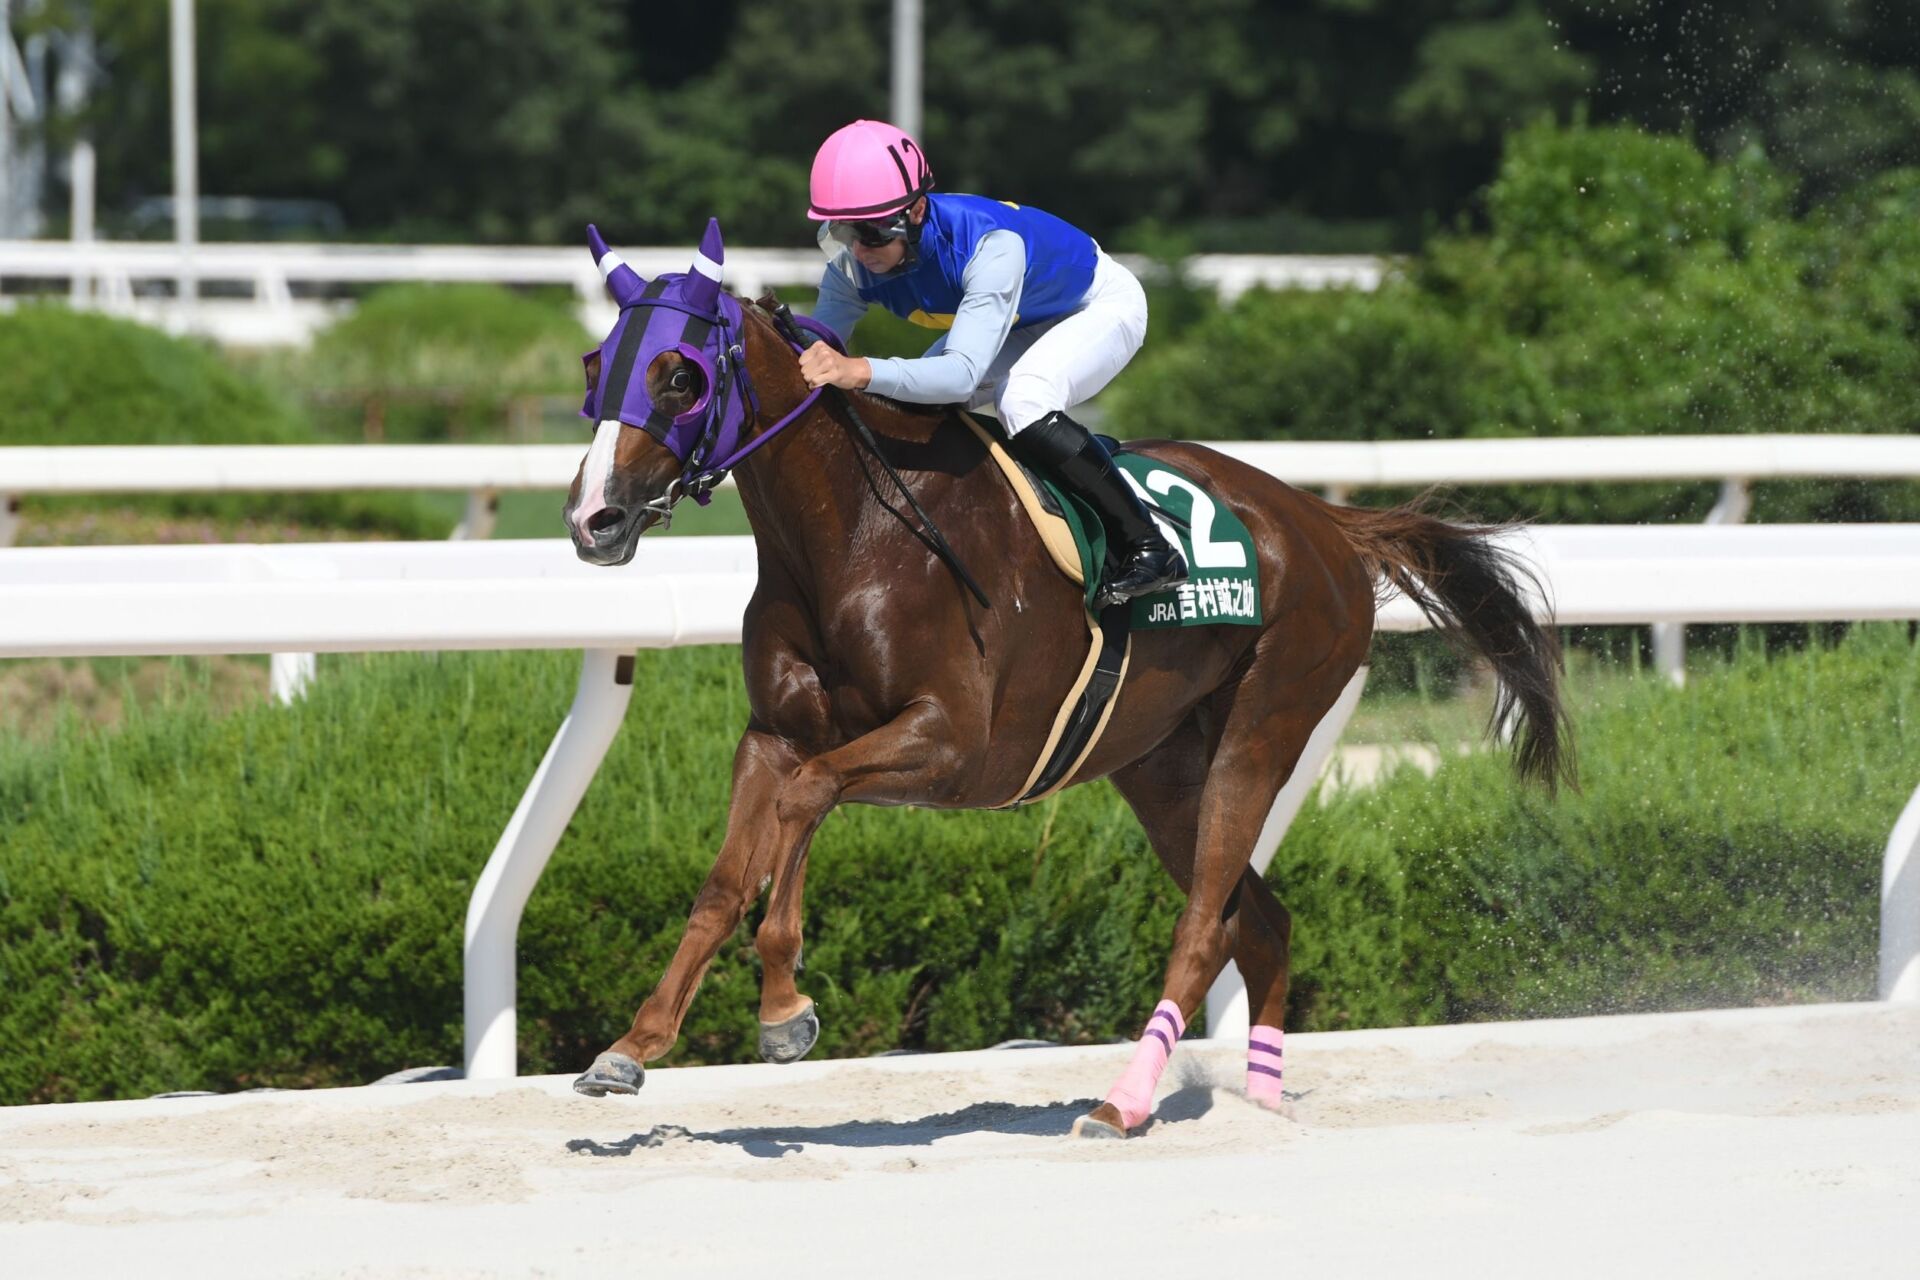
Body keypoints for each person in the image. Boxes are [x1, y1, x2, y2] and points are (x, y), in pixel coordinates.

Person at [797, 119, 1187, 606]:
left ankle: (1149, 545)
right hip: (1021, 317)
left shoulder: (988, 244)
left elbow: (960, 374)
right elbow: (816, 348)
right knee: (911, 406)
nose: (858, 249)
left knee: (1022, 397)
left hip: (1098, 305)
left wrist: (862, 369)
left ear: (917, 211)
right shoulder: (852, 268)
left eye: (873, 232)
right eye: (844, 231)